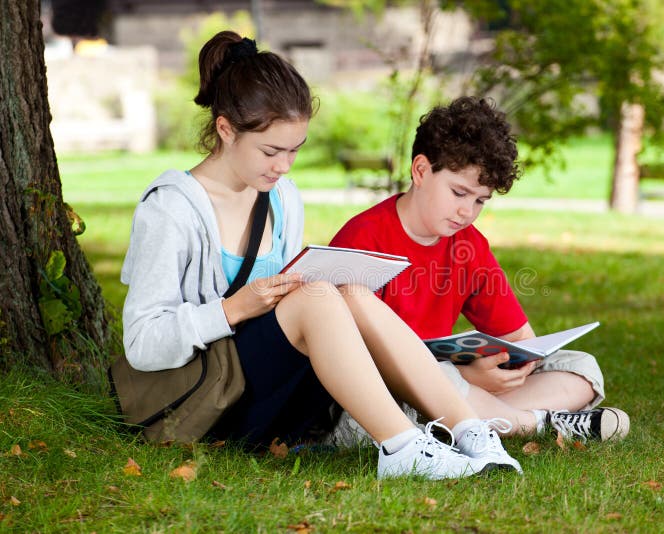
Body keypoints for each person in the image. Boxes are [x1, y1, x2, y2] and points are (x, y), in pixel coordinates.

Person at [120, 32, 522, 480]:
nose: (283, 166)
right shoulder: (171, 208)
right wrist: (235, 309)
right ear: (225, 129)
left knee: (348, 291)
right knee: (318, 299)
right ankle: (403, 446)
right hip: (208, 401)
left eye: (294, 150)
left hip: (277, 399)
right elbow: (141, 345)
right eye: (271, 151)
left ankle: (470, 432)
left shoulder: (282, 197)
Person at [330, 96, 629, 442]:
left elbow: (523, 342)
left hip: (455, 389)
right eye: (459, 193)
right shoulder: (364, 238)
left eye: (480, 201)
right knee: (442, 379)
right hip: (375, 400)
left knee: (579, 368)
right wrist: (465, 378)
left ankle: (470, 421)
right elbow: (348, 360)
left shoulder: (468, 245)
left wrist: (505, 369)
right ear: (421, 171)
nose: (466, 212)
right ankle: (534, 424)